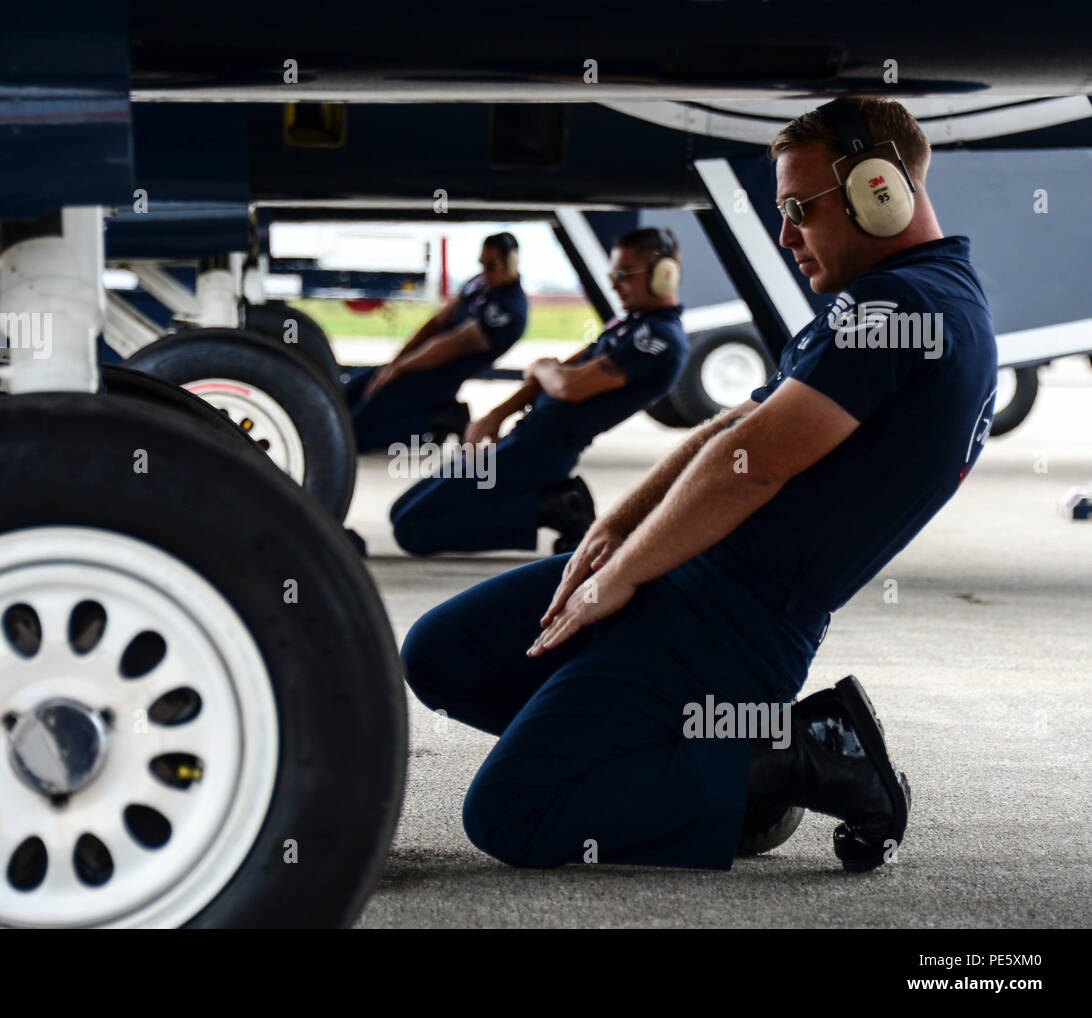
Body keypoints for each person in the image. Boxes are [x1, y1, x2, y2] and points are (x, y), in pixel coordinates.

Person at [401, 97, 998, 873]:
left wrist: (620, 575)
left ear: (877, 192)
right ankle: (707, 774)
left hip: (731, 621)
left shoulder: (901, 305)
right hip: (684, 566)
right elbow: (732, 427)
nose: (786, 235)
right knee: (441, 654)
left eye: (800, 209)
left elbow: (755, 460)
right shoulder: (905, 296)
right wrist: (614, 530)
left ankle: (789, 758)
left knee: (513, 815)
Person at [390, 227, 689, 555]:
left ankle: (554, 508)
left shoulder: (659, 340)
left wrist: (542, 369)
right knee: (400, 511)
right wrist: (494, 416)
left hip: (540, 455)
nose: (615, 285)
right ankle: (546, 503)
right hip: (521, 438)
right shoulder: (629, 325)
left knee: (413, 530)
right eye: (613, 275)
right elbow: (555, 374)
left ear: (664, 275)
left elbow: (568, 385)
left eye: (624, 274)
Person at [341, 233, 528, 451]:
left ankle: (440, 420)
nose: (485, 272)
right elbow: (437, 322)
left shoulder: (508, 310)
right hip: (417, 363)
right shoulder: (478, 284)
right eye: (482, 264)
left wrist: (399, 367)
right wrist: (394, 363)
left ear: (510, 264)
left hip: (437, 379)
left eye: (491, 266)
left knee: (354, 434)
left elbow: (451, 345)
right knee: (347, 394)